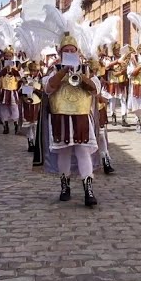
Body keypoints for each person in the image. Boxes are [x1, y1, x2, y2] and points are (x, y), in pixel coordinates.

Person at [45, 34, 102, 206]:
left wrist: (80, 73)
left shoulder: (86, 70)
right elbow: (48, 88)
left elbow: (95, 90)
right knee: (64, 152)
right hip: (60, 116)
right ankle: (65, 186)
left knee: (83, 151)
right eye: (66, 51)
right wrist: (63, 70)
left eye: (72, 51)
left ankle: (88, 189)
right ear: (60, 53)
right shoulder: (53, 70)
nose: (69, 53)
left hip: (81, 117)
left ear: (77, 52)